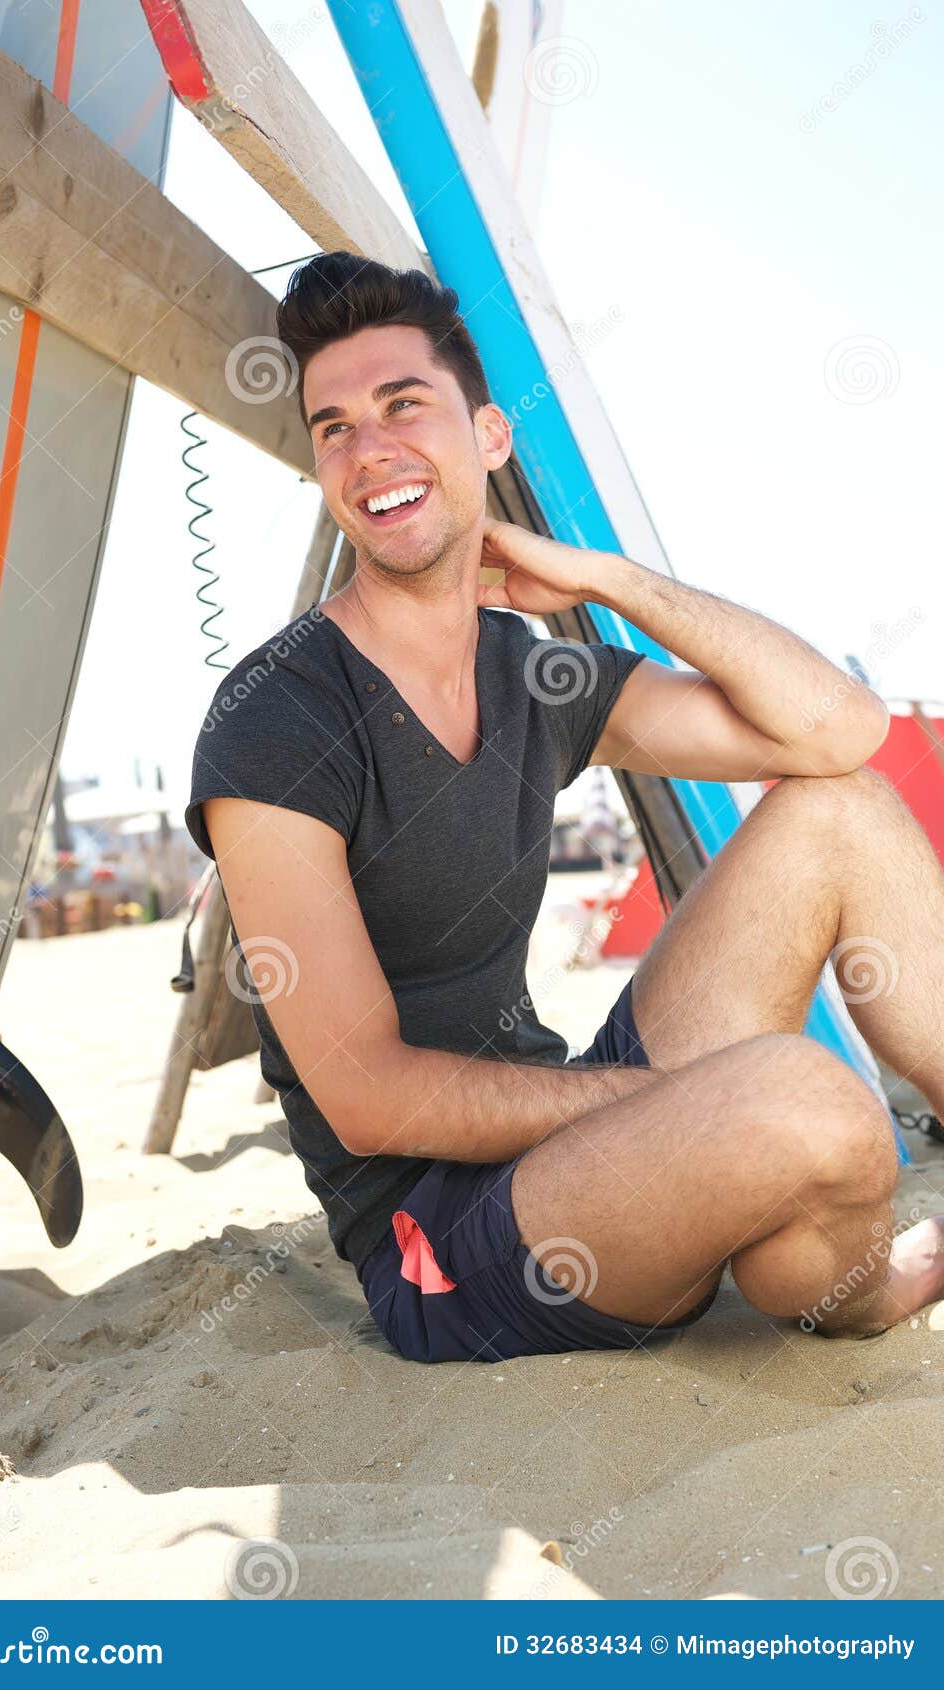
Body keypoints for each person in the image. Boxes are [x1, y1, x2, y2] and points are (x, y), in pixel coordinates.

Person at [185, 252, 944, 1363]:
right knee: (814, 1107)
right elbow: (369, 1100)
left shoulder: (525, 669)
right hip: (440, 1241)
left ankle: (808, 1251)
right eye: (334, 425)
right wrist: (659, 1096)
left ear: (489, 437)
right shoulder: (278, 714)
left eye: (404, 405)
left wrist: (610, 584)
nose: (371, 449)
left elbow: (835, 732)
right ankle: (854, 1282)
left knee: (848, 811)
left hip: (587, 1137)